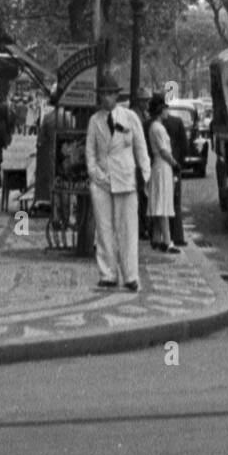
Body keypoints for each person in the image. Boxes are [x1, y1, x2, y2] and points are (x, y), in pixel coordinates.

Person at [85, 72, 151, 292]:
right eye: (102, 94)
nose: (106, 99)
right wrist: (97, 176)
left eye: (110, 94)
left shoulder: (130, 117)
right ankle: (108, 274)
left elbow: (141, 148)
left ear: (116, 96)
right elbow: (90, 155)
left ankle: (130, 275)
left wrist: (145, 174)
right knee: (104, 230)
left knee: (128, 229)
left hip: (126, 178)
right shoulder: (95, 121)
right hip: (102, 181)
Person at [147, 94, 182, 253]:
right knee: (163, 204)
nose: (167, 111)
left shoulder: (154, 127)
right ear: (160, 110)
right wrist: (174, 163)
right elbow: (163, 150)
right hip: (163, 166)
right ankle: (168, 241)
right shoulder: (158, 128)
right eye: (165, 108)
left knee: (159, 202)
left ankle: (156, 238)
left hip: (160, 166)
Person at [162, 105, 188, 247]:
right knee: (175, 201)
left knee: (160, 202)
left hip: (158, 166)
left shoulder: (151, 124)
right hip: (174, 165)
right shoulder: (176, 122)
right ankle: (177, 235)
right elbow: (185, 146)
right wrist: (180, 162)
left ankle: (161, 235)